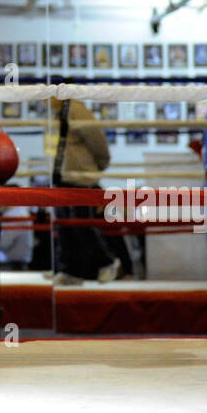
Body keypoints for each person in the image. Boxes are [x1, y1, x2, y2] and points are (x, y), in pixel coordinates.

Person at [51, 100, 132, 283]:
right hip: (62, 178)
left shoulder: (74, 108)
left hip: (80, 178)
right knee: (65, 228)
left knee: (82, 226)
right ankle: (71, 272)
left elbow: (96, 137)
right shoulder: (55, 112)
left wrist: (100, 164)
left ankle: (108, 262)